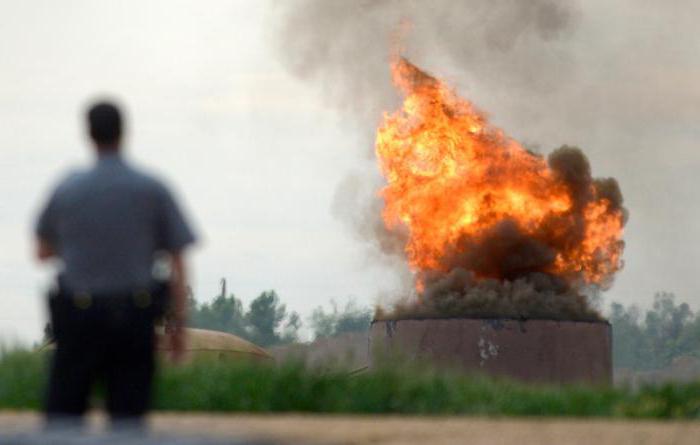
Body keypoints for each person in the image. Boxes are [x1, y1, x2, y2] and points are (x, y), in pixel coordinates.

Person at [34, 100, 196, 431]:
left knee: (63, 424)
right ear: (125, 132)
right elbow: (178, 260)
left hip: (78, 319)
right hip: (133, 319)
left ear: (88, 134)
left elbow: (42, 252)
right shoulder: (152, 188)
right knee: (129, 423)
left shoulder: (67, 188)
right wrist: (178, 326)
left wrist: (83, 245)